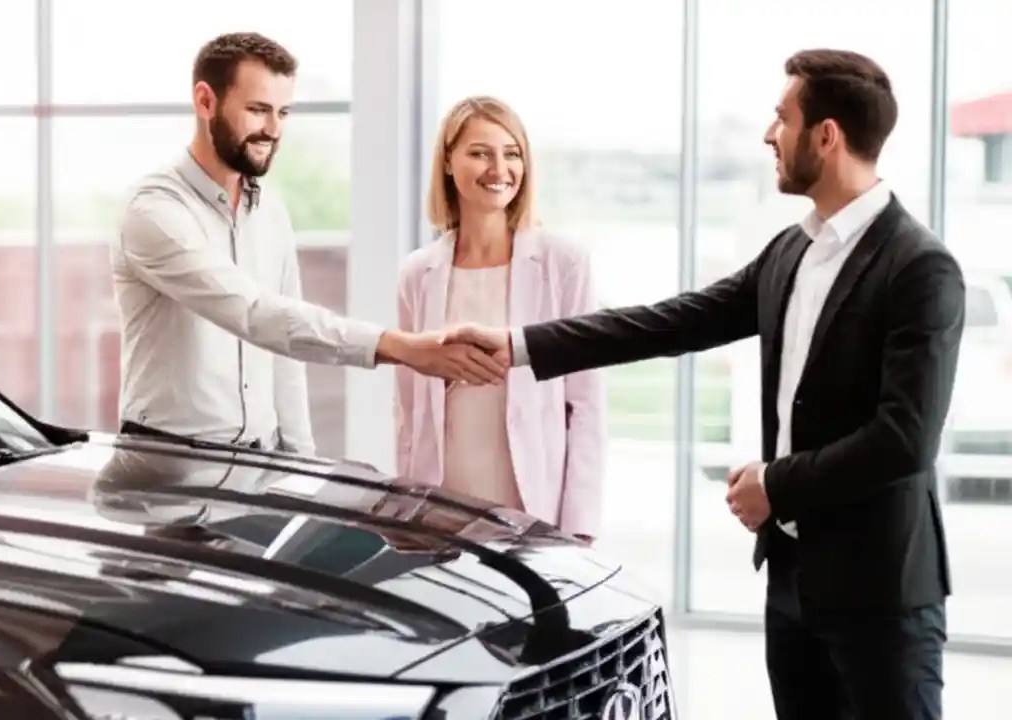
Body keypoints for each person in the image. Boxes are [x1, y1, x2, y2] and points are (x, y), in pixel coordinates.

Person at [448, 49, 960, 720]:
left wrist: (776, 486)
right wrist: (518, 345)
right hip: (794, 583)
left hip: (884, 593)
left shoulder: (920, 268)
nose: (769, 135)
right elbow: (670, 322)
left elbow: (904, 440)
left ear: (826, 136)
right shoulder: (791, 251)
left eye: (783, 118)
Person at [111, 32, 504, 454]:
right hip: (166, 463)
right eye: (258, 110)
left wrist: (301, 461)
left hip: (259, 461)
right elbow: (254, 313)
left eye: (283, 112)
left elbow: (284, 352)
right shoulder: (153, 211)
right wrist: (400, 347)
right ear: (206, 102)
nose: (274, 130)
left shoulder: (270, 210)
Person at [394, 96, 605, 541]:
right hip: (441, 503)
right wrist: (405, 513)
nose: (499, 168)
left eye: (511, 154)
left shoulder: (563, 263)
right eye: (479, 153)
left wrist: (581, 526)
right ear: (448, 162)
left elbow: (586, 402)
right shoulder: (419, 272)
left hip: (531, 500)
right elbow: (409, 410)